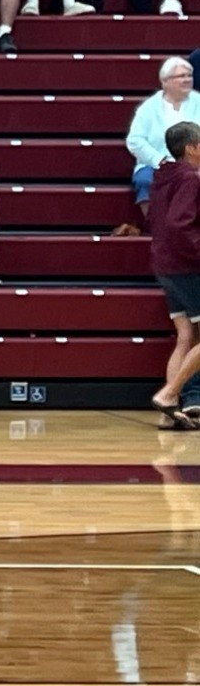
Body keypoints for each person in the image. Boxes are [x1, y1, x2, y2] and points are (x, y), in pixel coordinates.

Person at [148, 120, 200, 425]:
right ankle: (170, 393)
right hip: (188, 266)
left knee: (186, 336)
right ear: (193, 147)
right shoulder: (192, 178)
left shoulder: (164, 176)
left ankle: (169, 414)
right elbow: (182, 226)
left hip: (165, 265)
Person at [127, 58, 200, 221]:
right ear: (165, 81)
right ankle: (155, 226)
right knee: (145, 180)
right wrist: (159, 160)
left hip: (195, 162)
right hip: (157, 163)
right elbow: (135, 140)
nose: (187, 80)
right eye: (181, 76)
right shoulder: (149, 108)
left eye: (189, 75)